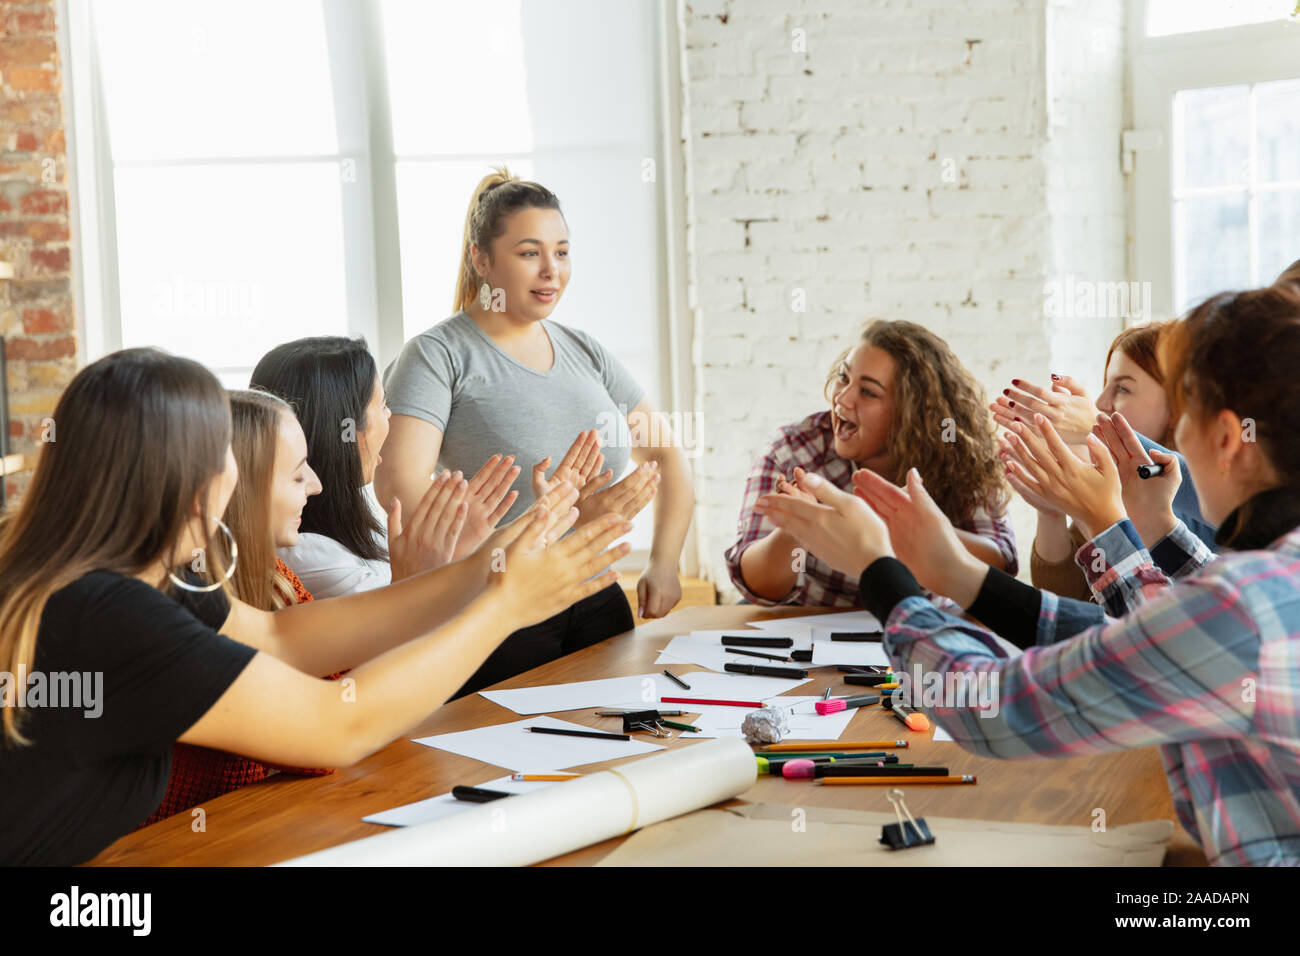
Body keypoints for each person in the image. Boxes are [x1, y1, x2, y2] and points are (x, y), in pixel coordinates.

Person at [0, 348, 630, 865]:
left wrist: (485, 570)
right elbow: (336, 726)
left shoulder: (127, 577)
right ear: (187, 476)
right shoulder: (107, 611)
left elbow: (281, 637)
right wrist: (504, 607)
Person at [755, 283, 1300, 866]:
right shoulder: (1264, 586)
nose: (1175, 443)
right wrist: (962, 574)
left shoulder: (1239, 608)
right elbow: (1153, 634)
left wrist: (878, 570)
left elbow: (996, 709)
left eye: (1184, 417)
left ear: (1224, 438)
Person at [375, 167, 694, 693]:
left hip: (596, 596)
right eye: (529, 253)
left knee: (613, 753)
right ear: (482, 259)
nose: (552, 270)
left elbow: (666, 454)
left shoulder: (585, 350)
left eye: (562, 252)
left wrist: (665, 563)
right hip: (496, 606)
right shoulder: (437, 356)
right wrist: (539, 527)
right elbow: (401, 492)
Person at [725, 318, 1017, 608]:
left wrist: (908, 523)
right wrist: (798, 526)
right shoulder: (794, 450)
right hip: (809, 625)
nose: (843, 398)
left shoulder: (957, 453)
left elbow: (1000, 567)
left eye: (868, 392)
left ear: (913, 413)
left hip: (917, 624)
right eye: (843, 377)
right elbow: (756, 585)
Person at [251, 336, 513, 600]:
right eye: (383, 405)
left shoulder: (359, 530)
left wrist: (456, 551)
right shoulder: (307, 554)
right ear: (348, 430)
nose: (389, 416)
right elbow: (411, 625)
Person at [990, 323, 1214, 600]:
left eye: (1122, 388)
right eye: (1106, 384)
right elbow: (1068, 597)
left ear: (1177, 401)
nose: (1100, 401)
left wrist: (1095, 426)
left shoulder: (1215, 495)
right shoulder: (1115, 476)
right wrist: (1052, 512)